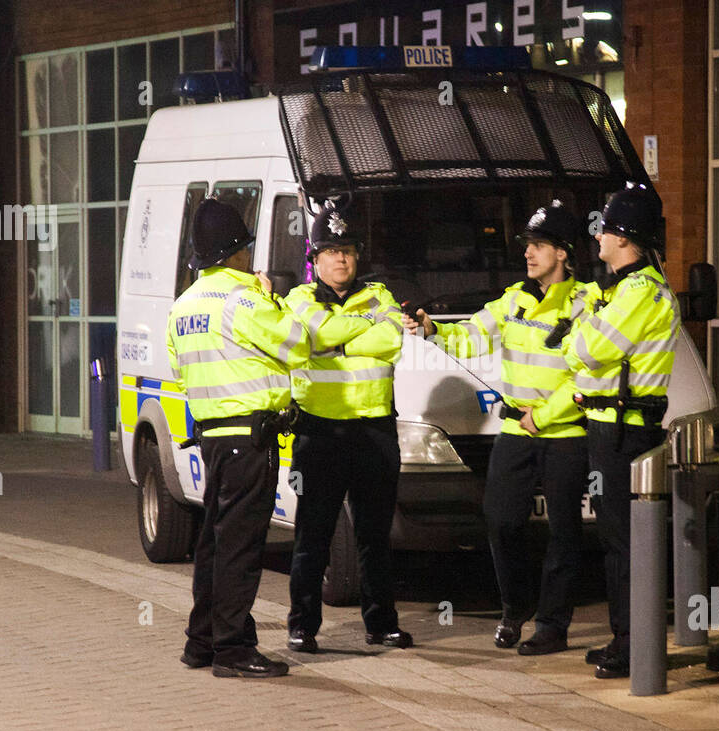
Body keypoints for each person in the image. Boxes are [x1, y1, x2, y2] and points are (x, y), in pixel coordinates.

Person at [404, 200, 595, 656]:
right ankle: (516, 606)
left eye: (540, 245)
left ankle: (552, 625)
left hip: (564, 433)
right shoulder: (513, 299)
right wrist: (432, 330)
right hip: (517, 432)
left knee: (564, 534)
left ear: (564, 252)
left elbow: (588, 373)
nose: (529, 253)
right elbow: (471, 334)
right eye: (527, 245)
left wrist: (544, 417)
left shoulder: (588, 302)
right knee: (501, 520)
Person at [167, 197, 310, 679]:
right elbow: (298, 344)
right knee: (240, 545)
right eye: (247, 249)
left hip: (212, 435)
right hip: (250, 437)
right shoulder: (243, 297)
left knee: (213, 539)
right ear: (236, 253)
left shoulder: (183, 304)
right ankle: (232, 650)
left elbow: (180, 370)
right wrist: (269, 296)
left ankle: (201, 641)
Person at [284, 201, 412, 653]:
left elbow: (393, 339)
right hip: (320, 433)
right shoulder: (297, 300)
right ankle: (302, 626)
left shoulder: (382, 295)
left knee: (375, 536)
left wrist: (338, 334)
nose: (342, 259)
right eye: (332, 251)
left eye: (349, 251)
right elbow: (312, 335)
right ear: (314, 260)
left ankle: (381, 623)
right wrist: (361, 330)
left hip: (374, 431)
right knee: (313, 535)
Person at [565, 183, 679, 679]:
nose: (598, 239)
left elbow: (588, 349)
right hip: (610, 426)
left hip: (625, 433)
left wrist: (580, 327)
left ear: (625, 237)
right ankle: (624, 638)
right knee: (617, 542)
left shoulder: (637, 290)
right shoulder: (626, 288)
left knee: (628, 543)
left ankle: (636, 644)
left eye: (606, 230)